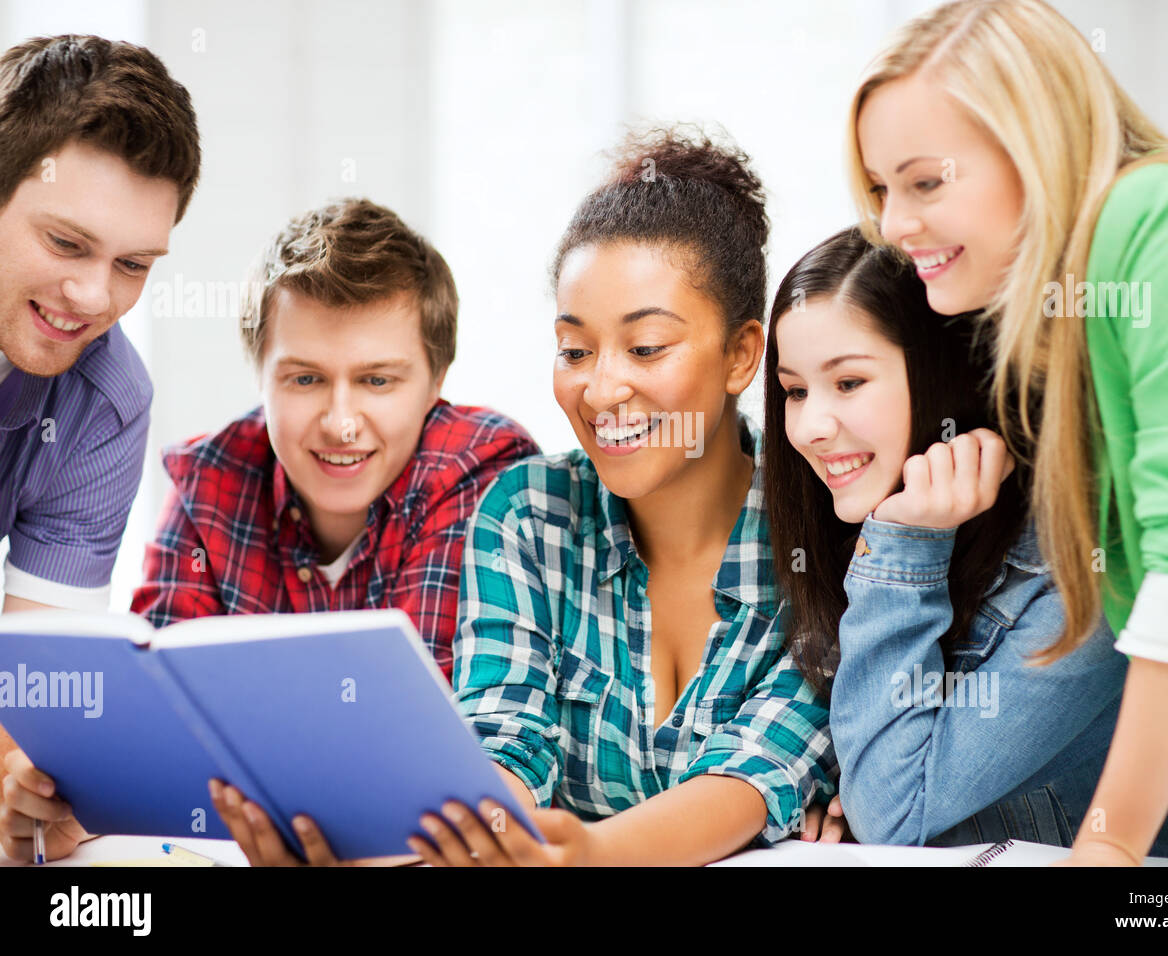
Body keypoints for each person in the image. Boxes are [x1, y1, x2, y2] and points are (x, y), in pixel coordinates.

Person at [211, 127, 837, 866]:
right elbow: (504, 733)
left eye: (645, 348)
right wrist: (464, 840)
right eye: (575, 350)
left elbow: (757, 771)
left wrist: (586, 856)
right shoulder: (526, 513)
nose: (601, 389)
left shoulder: (822, 525)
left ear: (741, 355)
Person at [847, 0, 1168, 865]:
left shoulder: (1161, 212)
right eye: (881, 189)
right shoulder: (1078, 339)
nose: (893, 226)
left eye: (926, 181)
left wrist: (1110, 847)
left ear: (1035, 142)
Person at [2, 197, 539, 863]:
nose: (341, 421)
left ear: (436, 383)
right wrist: (76, 800)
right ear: (260, 375)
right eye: (305, 378)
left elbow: (420, 750)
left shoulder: (483, 472)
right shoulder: (209, 477)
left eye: (377, 380)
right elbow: (155, 727)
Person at [765, 226, 1168, 856]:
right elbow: (882, 791)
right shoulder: (846, 533)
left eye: (848, 383)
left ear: (944, 377)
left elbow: (896, 819)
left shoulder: (1081, 567)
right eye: (794, 391)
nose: (812, 428)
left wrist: (905, 545)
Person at [0, 34, 200, 865]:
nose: (92, 298)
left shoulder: (105, 404)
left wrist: (36, 783)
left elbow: (31, 683)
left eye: (133, 264)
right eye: (66, 244)